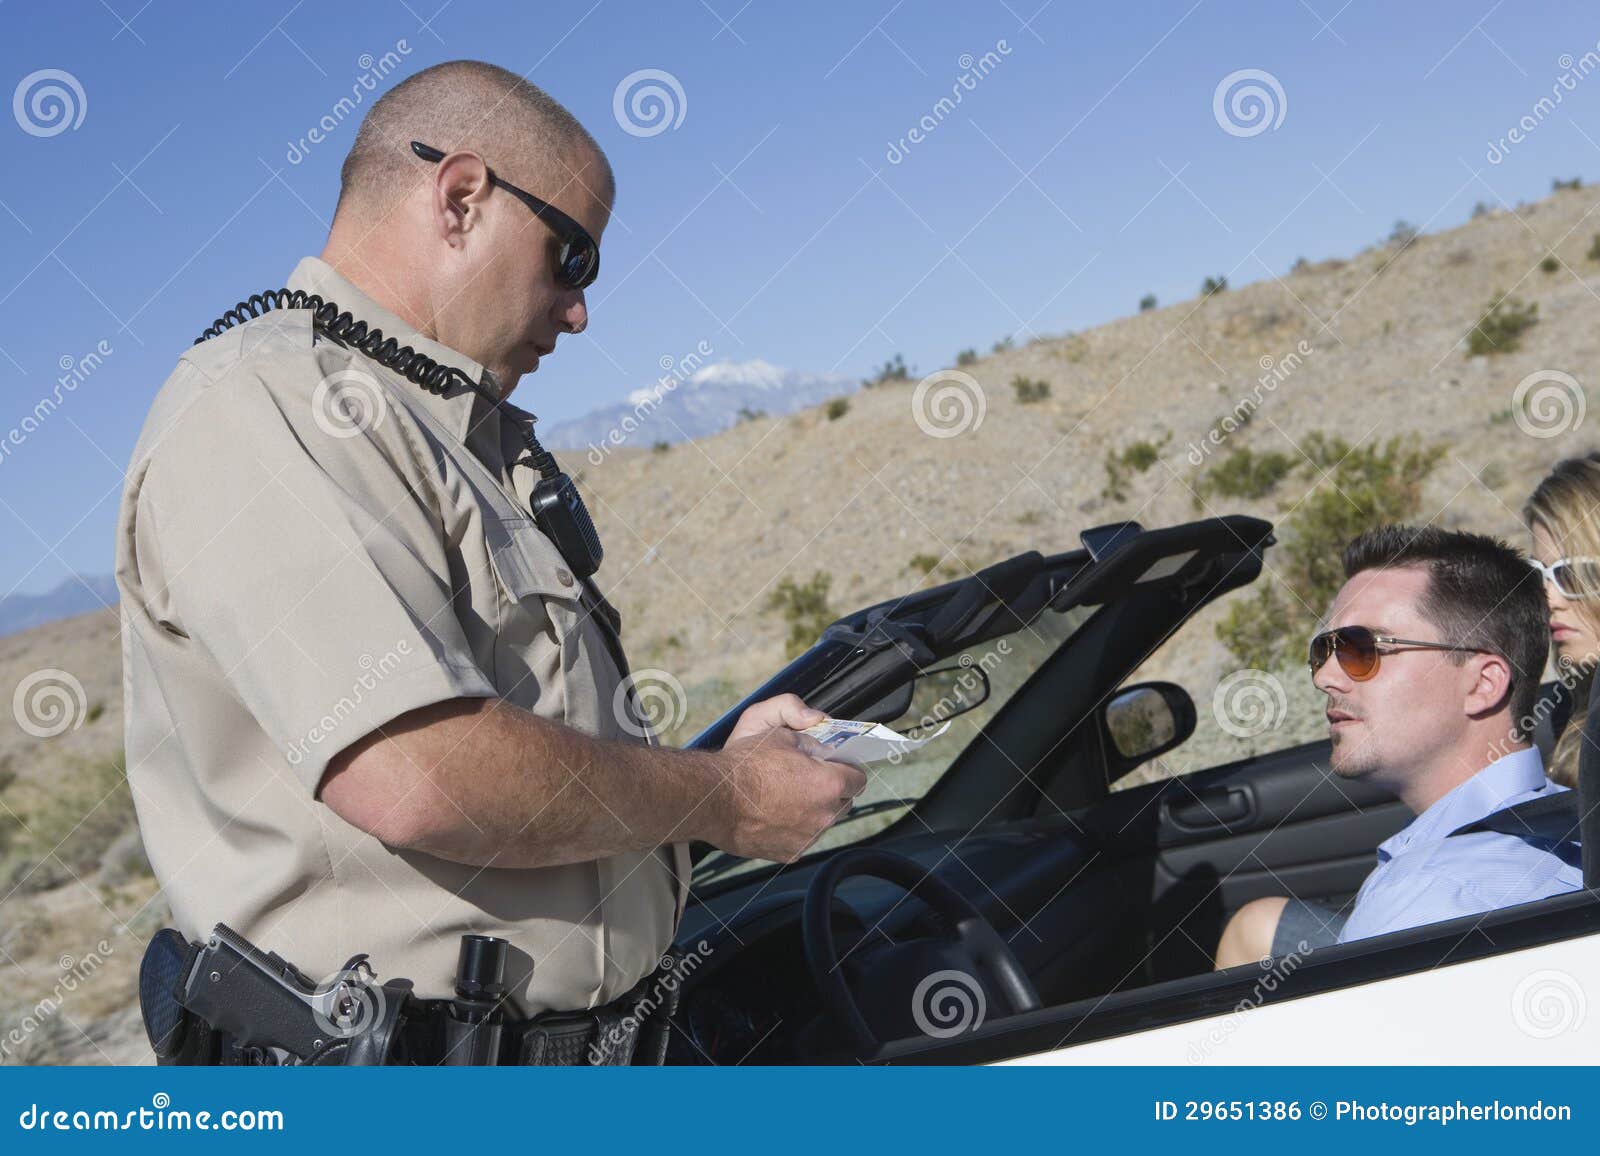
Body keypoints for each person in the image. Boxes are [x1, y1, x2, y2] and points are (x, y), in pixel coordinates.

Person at [115, 61, 864, 1061]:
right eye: (572, 258)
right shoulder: (272, 402)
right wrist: (726, 798)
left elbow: (540, 760)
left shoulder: (437, 429)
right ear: (461, 197)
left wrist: (724, 762)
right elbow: (414, 774)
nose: (579, 309)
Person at [1214, 525, 1581, 967]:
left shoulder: (1421, 905)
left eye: (1362, 649)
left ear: (1483, 683)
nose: (1325, 677)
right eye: (1323, 650)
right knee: (1258, 925)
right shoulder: (1563, 818)